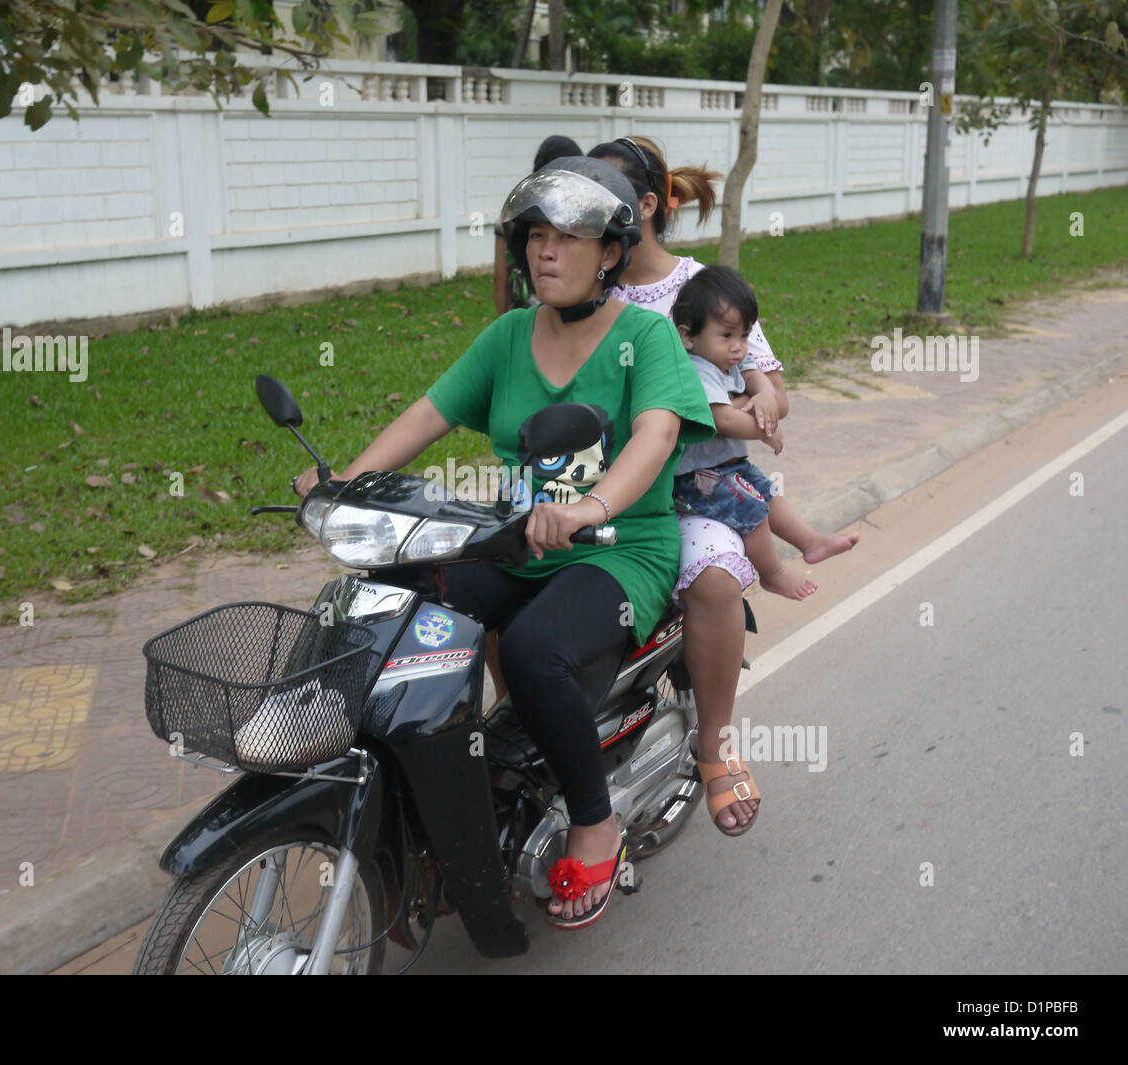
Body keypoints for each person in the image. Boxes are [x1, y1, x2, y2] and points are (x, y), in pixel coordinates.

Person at [295, 157, 714, 927]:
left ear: (610, 253)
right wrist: (342, 482)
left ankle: (595, 820)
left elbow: (654, 438)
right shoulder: (508, 335)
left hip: (621, 548)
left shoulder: (647, 337)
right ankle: (440, 771)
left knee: (530, 649)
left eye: (568, 237)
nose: (545, 251)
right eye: (535, 236)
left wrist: (590, 505)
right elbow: (427, 416)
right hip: (517, 539)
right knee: (403, 598)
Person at [589, 134, 785, 836]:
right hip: (588, 484)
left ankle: (716, 742)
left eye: (603, 198)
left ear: (644, 205)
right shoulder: (583, 283)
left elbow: (768, 384)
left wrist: (758, 398)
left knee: (711, 578)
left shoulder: (698, 286)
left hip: (688, 489)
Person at [670, 264, 858, 601]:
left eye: (744, 336)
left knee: (768, 493)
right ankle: (773, 573)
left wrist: (765, 395)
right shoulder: (695, 371)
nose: (738, 347)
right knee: (752, 509)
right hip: (695, 479)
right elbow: (722, 419)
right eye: (726, 335)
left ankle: (810, 541)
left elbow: (754, 372)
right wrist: (764, 428)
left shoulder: (727, 359)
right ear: (688, 336)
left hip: (726, 466)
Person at [492, 135, 582, 315]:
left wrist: (502, 320)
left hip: (523, 313)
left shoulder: (511, 217)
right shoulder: (581, 218)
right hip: (567, 317)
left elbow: (500, 277)